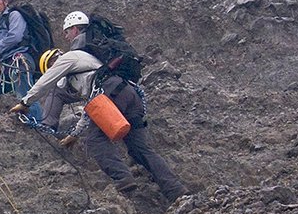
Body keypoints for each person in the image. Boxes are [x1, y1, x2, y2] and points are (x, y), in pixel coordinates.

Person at [11, 11, 189, 203]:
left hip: (111, 93)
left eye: (67, 31)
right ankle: (176, 190)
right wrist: (75, 134)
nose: (65, 36)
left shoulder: (71, 57)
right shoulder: (95, 60)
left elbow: (47, 81)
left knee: (96, 140)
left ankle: (123, 178)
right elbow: (92, 109)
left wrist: (25, 102)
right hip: (128, 93)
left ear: (76, 29)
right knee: (140, 149)